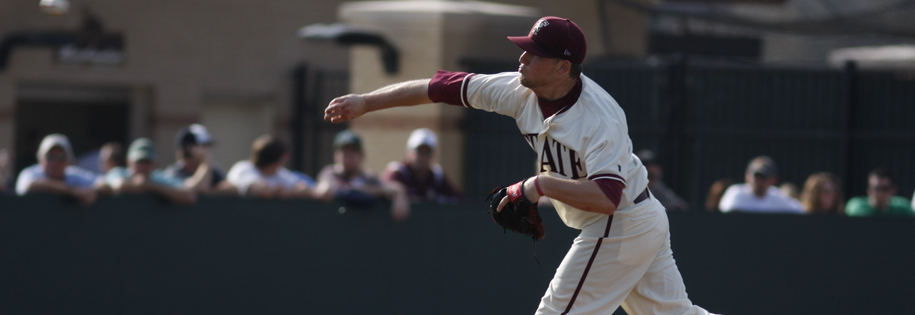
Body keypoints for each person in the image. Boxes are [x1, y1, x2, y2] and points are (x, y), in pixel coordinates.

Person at [324, 16, 711, 315]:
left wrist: (537, 186)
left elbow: (608, 197)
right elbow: (439, 87)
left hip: (620, 221)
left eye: (534, 52)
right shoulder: (519, 89)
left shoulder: (598, 117)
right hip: (638, 218)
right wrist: (366, 101)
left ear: (563, 67)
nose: (522, 57)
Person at [315, 130, 410, 222]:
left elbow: (393, 190)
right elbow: (324, 192)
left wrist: (399, 194)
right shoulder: (330, 173)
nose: (347, 157)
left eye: (352, 153)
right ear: (336, 155)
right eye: (344, 153)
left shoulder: (369, 177)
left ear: (362, 155)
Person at [15, 134, 102, 205]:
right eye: (50, 157)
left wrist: (93, 191)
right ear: (40, 159)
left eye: (61, 157)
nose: (55, 162)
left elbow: (104, 183)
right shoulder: (29, 173)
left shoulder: (72, 173)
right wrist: (73, 191)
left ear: (69, 160)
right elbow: (30, 185)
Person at [105, 138, 196, 205]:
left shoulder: (159, 178)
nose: (143, 166)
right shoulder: (119, 173)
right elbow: (118, 185)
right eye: (140, 161)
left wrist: (151, 186)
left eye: (147, 162)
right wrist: (140, 185)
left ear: (155, 163)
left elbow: (189, 196)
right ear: (129, 161)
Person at [383, 128, 462, 204]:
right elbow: (385, 192)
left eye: (427, 152)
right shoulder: (398, 172)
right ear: (408, 152)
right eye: (419, 151)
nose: (423, 157)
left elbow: (459, 199)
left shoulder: (437, 175)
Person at [225, 135, 312, 199]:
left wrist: (288, 193)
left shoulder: (280, 173)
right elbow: (262, 191)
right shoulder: (243, 168)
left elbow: (306, 190)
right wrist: (277, 191)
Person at [163, 124, 236, 195]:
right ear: (188, 148)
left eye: (207, 146)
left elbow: (233, 188)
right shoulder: (174, 172)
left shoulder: (212, 170)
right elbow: (199, 188)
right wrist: (205, 163)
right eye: (203, 146)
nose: (207, 150)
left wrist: (210, 191)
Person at [718, 156, 803, 214]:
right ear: (747, 176)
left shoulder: (777, 196)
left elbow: (800, 210)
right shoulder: (736, 193)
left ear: (773, 180)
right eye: (756, 177)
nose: (759, 181)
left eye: (764, 177)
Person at [845, 168, 913, 217]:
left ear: (893, 190)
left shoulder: (903, 209)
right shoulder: (857, 208)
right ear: (869, 190)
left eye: (884, 189)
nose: (879, 193)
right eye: (876, 188)